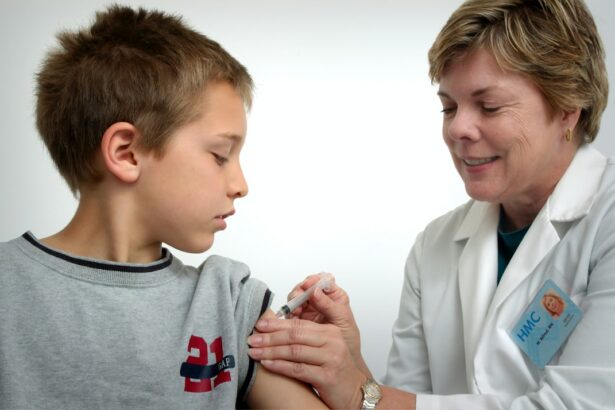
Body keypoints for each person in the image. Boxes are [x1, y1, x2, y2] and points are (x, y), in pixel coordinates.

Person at [247, 0, 615, 408]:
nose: (457, 128)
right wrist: (351, 367)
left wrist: (355, 392)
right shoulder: (436, 246)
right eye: (449, 107)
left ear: (567, 108)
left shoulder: (606, 221)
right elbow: (399, 402)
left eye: (489, 106)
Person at [0, 5, 327, 409]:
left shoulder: (228, 305)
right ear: (127, 153)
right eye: (220, 155)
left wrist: (351, 375)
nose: (241, 186)